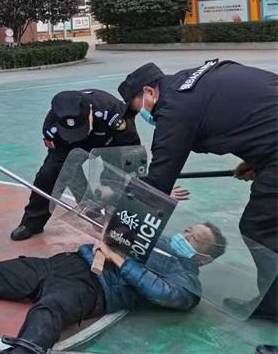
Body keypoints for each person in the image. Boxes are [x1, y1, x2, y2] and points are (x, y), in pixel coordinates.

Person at [0, 221, 227, 354]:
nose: (185, 235)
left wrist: (118, 259)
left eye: (195, 238)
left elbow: (163, 293)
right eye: (188, 230)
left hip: (96, 287)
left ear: (204, 257)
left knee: (51, 308)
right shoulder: (156, 240)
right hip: (67, 263)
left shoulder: (188, 281)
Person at [119, 60, 278, 323]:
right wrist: (257, 160)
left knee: (261, 226)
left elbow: (158, 183)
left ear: (149, 92)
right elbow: (249, 113)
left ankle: (274, 305)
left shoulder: (173, 109)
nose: (140, 114)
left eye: (136, 107)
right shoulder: (187, 84)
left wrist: (118, 226)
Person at [10, 89, 141, 241]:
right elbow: (63, 164)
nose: (78, 133)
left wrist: (133, 186)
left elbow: (131, 149)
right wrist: (86, 201)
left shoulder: (113, 113)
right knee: (48, 176)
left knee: (117, 179)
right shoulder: (51, 128)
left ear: (90, 111)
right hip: (70, 147)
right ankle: (32, 223)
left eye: (80, 128)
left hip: (110, 142)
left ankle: (124, 225)